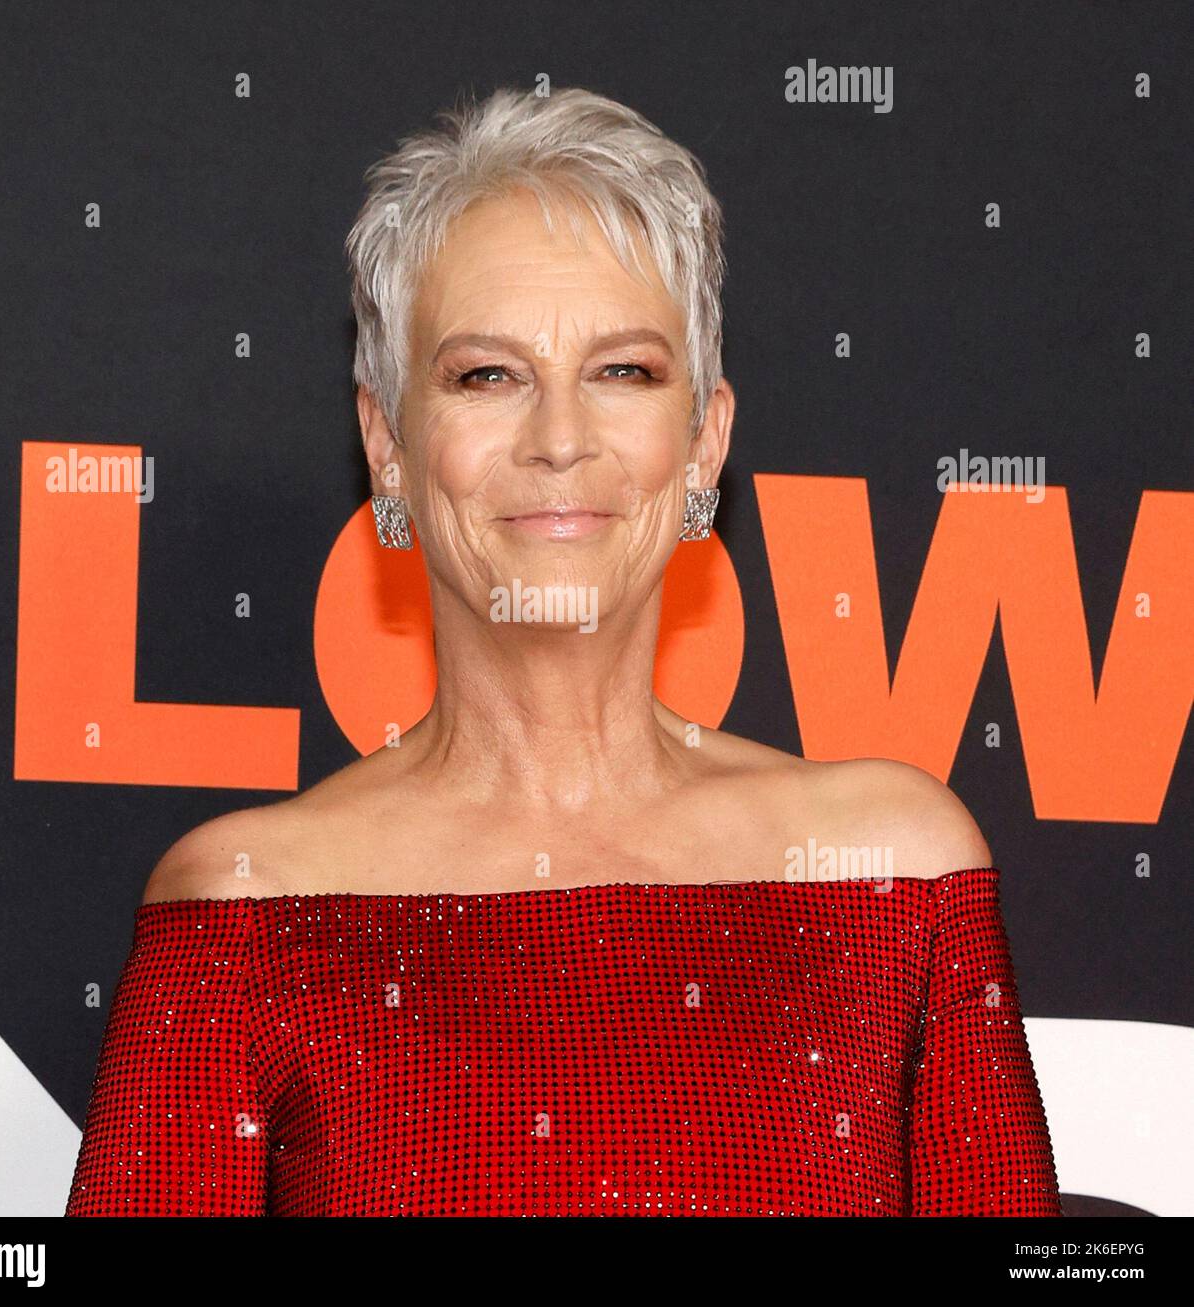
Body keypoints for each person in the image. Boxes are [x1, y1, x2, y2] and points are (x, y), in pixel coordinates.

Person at [65, 85, 1061, 1216]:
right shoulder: (239, 910)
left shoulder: (898, 881)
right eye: (485, 375)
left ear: (704, 441)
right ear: (388, 444)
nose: (558, 439)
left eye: (623, 371)